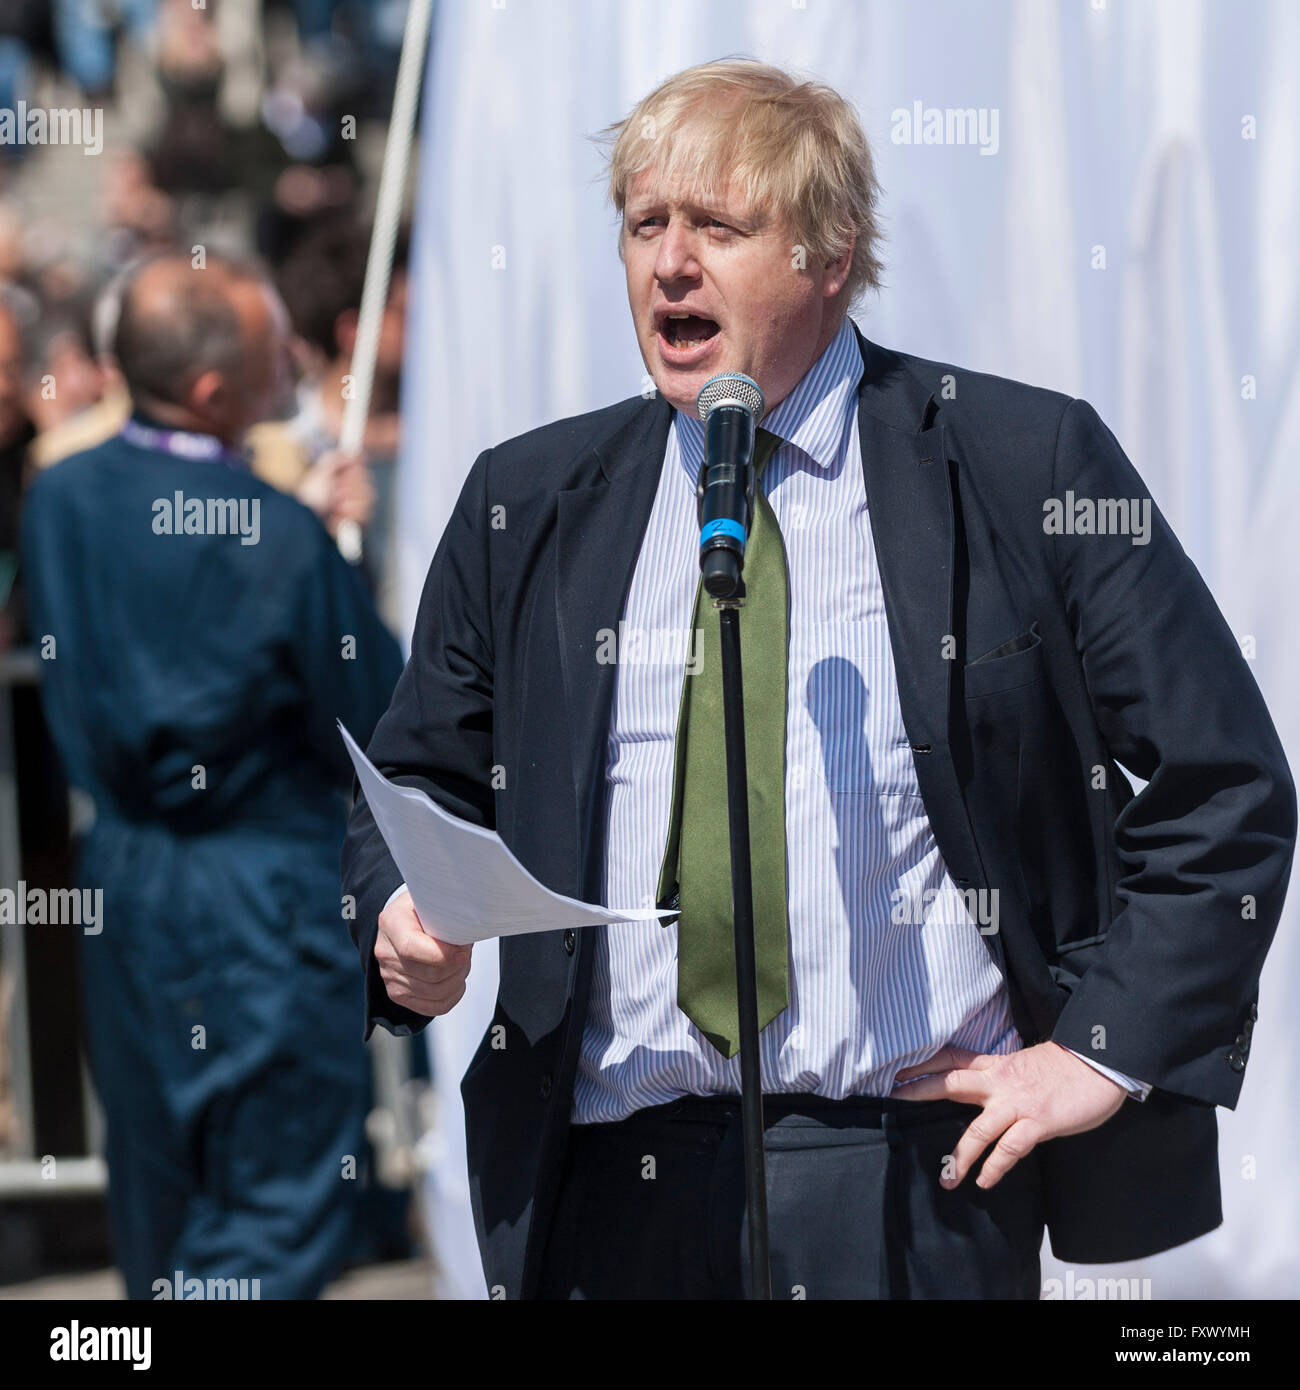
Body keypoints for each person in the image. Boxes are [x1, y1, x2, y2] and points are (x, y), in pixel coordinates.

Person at [341, 60, 1296, 1300]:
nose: (669, 263)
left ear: (831, 258)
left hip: (906, 1187)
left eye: (718, 227)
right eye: (644, 225)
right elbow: (413, 775)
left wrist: (1099, 1054)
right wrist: (400, 918)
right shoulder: (526, 503)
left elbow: (1223, 786)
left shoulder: (1020, 462)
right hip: (609, 1192)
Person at [23, 250, 403, 1298]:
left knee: (164, 1210)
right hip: (257, 899)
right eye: (270, 343)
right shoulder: (277, 539)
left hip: (129, 886)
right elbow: (376, 716)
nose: (290, 355)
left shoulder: (63, 498)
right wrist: (327, 554)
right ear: (210, 390)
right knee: (268, 1219)